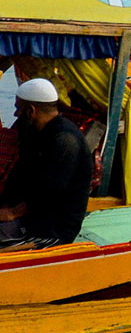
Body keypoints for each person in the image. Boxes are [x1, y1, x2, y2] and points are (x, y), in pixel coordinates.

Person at [0, 78, 91, 247]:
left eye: (18, 109)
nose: (15, 115)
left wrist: (11, 213)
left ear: (31, 111)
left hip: (51, 228)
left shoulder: (66, 140)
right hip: (26, 216)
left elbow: (48, 193)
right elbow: (19, 173)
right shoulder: (34, 131)